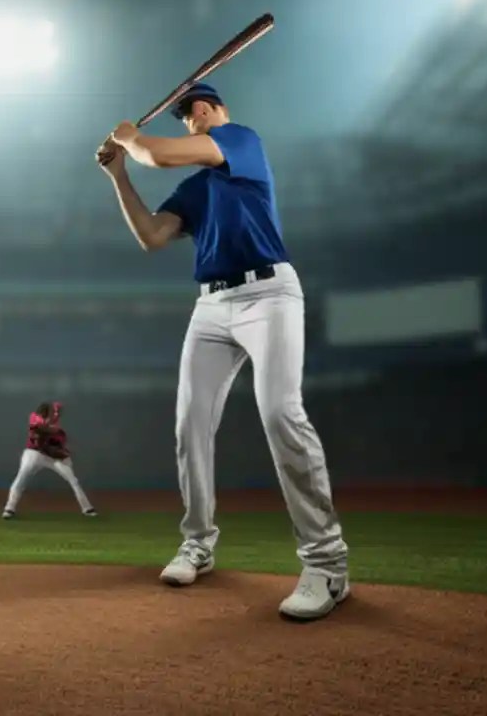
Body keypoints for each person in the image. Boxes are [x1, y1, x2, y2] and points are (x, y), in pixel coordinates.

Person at [95, 82, 350, 621]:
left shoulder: (241, 141)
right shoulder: (194, 188)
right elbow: (152, 235)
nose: (197, 115)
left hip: (269, 293)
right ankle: (198, 544)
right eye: (189, 113)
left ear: (221, 113)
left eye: (202, 108)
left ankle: (327, 564)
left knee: (281, 411)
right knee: (189, 424)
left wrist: (133, 139)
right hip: (212, 304)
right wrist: (119, 174)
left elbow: (158, 154)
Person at [2, 401, 97, 519]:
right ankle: (9, 508)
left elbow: (56, 440)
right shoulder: (35, 420)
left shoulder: (59, 432)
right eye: (52, 412)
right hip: (34, 453)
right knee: (22, 477)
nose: (55, 414)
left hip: (52, 458)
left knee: (73, 480)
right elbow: (39, 430)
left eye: (55, 413)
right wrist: (50, 421)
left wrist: (63, 454)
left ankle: (87, 508)